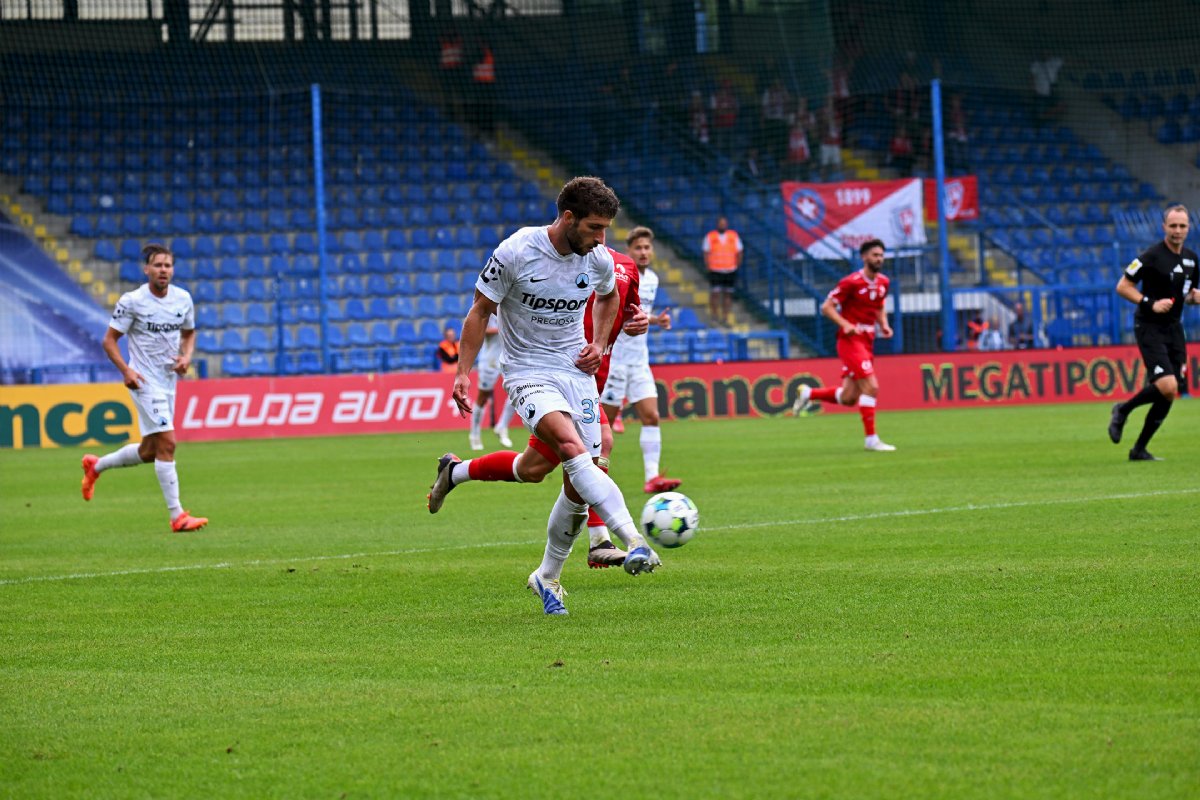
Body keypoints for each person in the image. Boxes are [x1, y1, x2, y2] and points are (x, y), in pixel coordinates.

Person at [427, 177, 657, 616]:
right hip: (527, 371)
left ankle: (547, 575)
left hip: (576, 373)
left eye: (606, 229)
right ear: (567, 218)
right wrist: (463, 373)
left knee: (564, 479)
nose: (601, 238)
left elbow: (609, 298)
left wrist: (601, 344)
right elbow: (480, 310)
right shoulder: (516, 251)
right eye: (593, 227)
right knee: (576, 451)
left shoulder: (600, 259)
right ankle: (634, 540)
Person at [80, 243, 208, 532]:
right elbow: (109, 340)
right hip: (144, 381)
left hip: (168, 382)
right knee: (169, 444)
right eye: (158, 265)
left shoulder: (183, 299)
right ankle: (177, 516)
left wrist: (186, 357)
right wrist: (126, 371)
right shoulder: (133, 300)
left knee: (151, 451)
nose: (164, 270)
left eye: (168, 265)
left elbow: (189, 333)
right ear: (147, 269)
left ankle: (95, 466)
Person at [1107, 205, 1199, 461]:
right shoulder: (1150, 257)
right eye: (1173, 226)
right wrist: (1150, 303)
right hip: (1149, 326)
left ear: (1188, 228)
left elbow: (1188, 295)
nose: (1178, 230)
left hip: (1174, 328)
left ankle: (1139, 449)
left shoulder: (1192, 259)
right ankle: (1122, 410)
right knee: (1167, 386)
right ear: (1164, 228)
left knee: (1171, 390)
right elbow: (1123, 286)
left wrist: (1195, 298)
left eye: (1182, 226)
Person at [791, 238, 897, 452]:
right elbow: (827, 307)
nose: (879, 259)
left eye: (881, 255)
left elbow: (879, 305)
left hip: (867, 340)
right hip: (850, 341)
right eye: (875, 255)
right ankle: (871, 440)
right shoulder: (851, 282)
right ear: (864, 257)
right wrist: (845, 324)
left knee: (849, 397)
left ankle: (808, 394)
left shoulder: (883, 282)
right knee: (872, 386)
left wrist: (883, 324)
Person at [598, 226, 682, 495]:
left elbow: (639, 314)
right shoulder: (620, 275)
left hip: (639, 360)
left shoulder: (653, 280)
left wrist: (656, 321)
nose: (644, 252)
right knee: (603, 428)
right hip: (616, 360)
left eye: (647, 248)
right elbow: (611, 312)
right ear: (629, 251)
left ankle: (652, 477)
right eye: (638, 248)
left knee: (652, 416)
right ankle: (593, 479)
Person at [468, 313, 516, 450]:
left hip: (509, 357)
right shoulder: (489, 308)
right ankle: (475, 434)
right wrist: (504, 328)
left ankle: (502, 426)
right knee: (483, 397)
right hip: (490, 360)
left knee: (517, 391)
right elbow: (482, 330)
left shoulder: (512, 306)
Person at [702, 215, 742, 326]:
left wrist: (736, 265)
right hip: (715, 269)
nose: (722, 225)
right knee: (715, 293)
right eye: (721, 223)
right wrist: (708, 265)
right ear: (717, 224)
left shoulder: (733, 236)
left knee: (728, 294)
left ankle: (725, 317)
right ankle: (714, 316)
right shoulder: (710, 236)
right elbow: (706, 252)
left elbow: (739, 252)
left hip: (730, 269)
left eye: (724, 223)